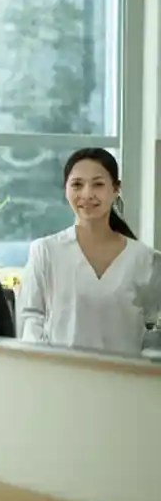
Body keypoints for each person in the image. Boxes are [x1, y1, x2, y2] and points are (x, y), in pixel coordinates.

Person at [16, 148, 160, 355]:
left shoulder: (145, 259)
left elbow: (151, 330)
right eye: (77, 185)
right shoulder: (46, 251)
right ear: (65, 189)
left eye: (98, 184)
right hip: (62, 377)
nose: (87, 194)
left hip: (124, 380)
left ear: (116, 189)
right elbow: (30, 318)